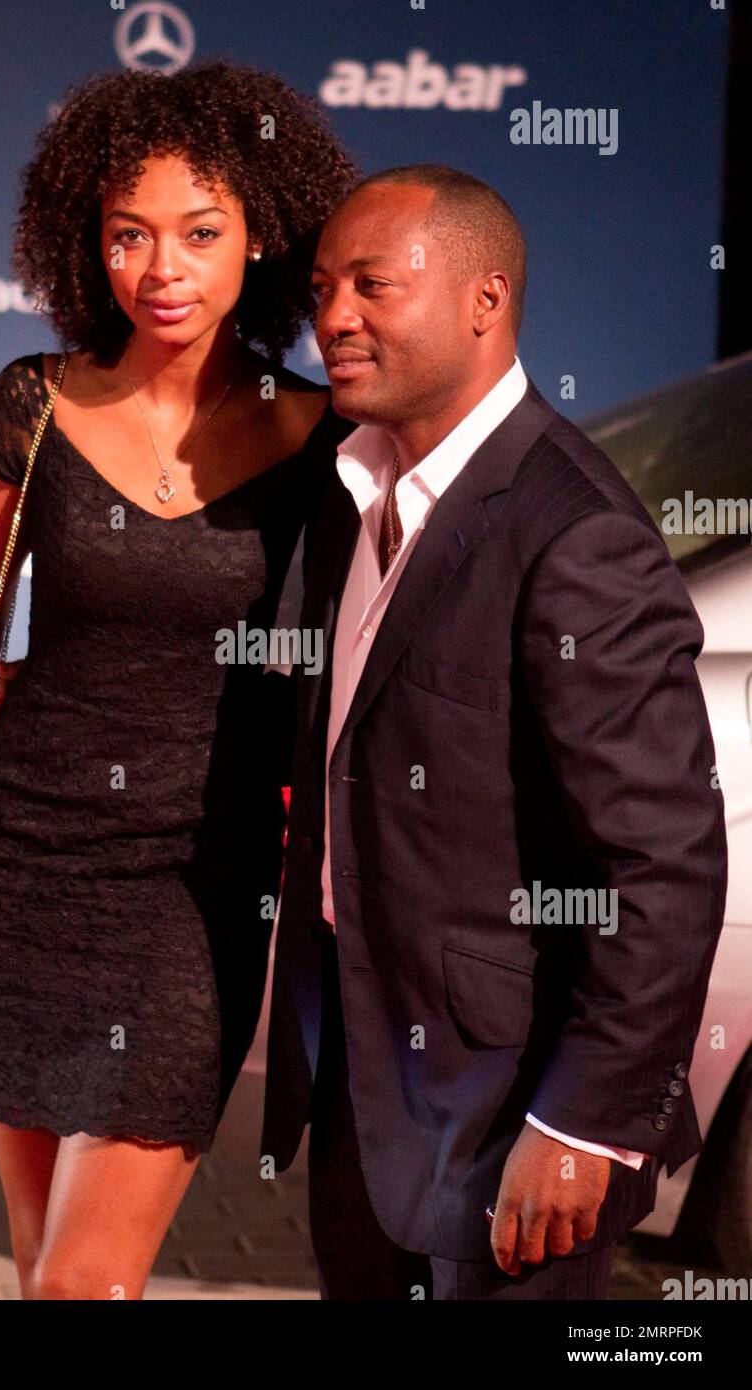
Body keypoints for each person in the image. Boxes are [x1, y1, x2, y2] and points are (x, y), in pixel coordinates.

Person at [0, 61, 359, 1300]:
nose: (160, 268)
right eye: (130, 234)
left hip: (198, 889)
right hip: (23, 867)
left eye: (198, 232)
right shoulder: (37, 404)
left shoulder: (324, 435)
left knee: (86, 1282)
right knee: (42, 1277)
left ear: (261, 236)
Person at [260, 165, 729, 1299]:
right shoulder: (350, 492)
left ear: (486, 299)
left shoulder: (575, 535)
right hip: (366, 1079)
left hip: (510, 1109)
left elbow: (662, 865)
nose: (333, 317)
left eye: (373, 284)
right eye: (323, 287)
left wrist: (585, 1122)